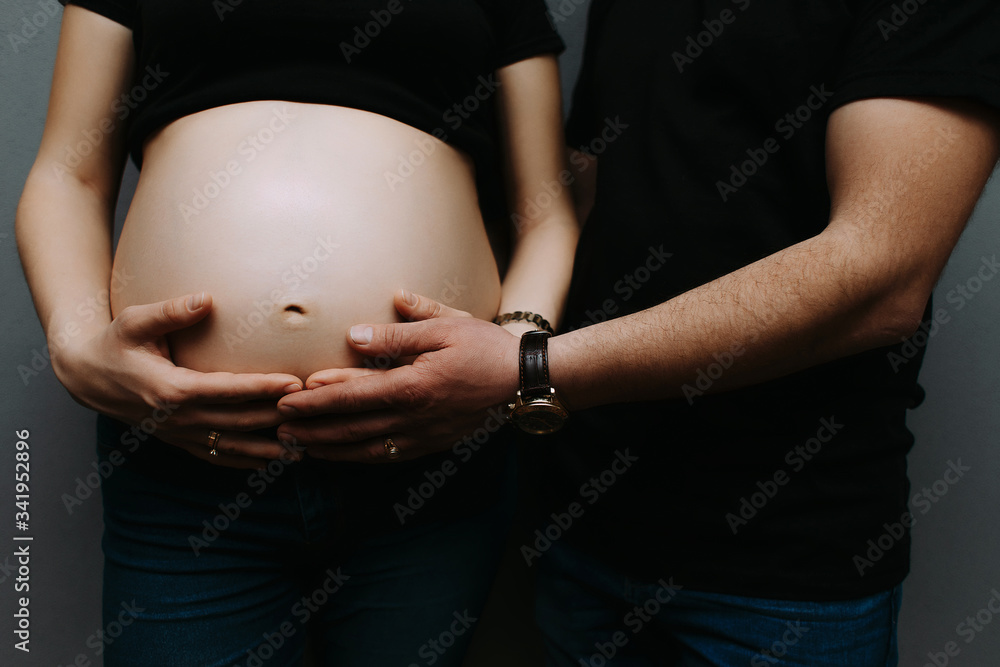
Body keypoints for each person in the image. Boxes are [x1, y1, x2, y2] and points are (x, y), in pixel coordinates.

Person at [273, 0, 1000, 664]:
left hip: (783, 558)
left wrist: (528, 366)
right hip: (589, 529)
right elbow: (590, 189)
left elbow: (882, 276)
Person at [16, 0, 578, 664]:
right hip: (185, 462)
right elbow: (68, 175)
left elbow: (546, 213)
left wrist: (515, 360)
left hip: (431, 458)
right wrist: (77, 349)